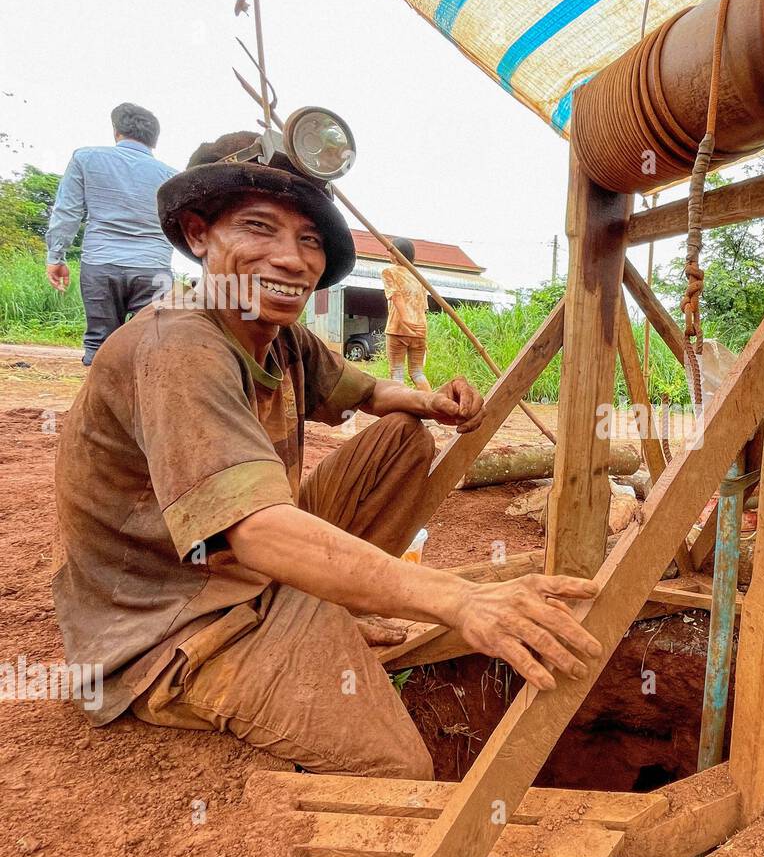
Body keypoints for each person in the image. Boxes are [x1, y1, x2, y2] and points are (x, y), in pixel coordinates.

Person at [52, 129, 601, 780]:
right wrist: (456, 600)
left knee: (403, 437)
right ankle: (289, 635)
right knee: (396, 767)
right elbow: (255, 532)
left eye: (309, 239)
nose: (291, 259)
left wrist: (430, 401)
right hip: (176, 625)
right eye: (260, 227)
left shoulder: (279, 336)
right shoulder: (178, 347)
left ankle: (334, 604)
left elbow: (365, 389)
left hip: (250, 575)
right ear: (198, 234)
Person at [45, 103, 178, 365]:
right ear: (154, 140)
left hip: (101, 265)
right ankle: (145, 405)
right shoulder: (171, 177)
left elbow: (67, 212)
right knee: (152, 343)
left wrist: (56, 257)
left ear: (116, 131)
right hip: (154, 269)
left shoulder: (86, 158)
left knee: (100, 342)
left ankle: (100, 406)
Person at [382, 236, 431, 390]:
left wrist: (406, 320)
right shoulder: (418, 276)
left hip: (399, 329)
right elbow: (423, 307)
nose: (388, 254)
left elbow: (396, 296)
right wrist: (418, 329)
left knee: (397, 373)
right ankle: (432, 408)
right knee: (417, 372)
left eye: (390, 251)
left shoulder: (389, 272)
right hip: (420, 331)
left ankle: (400, 411)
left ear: (397, 253)